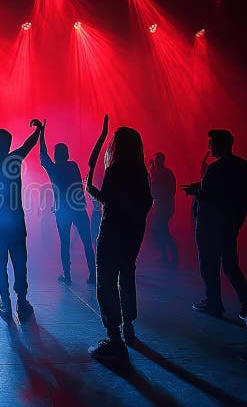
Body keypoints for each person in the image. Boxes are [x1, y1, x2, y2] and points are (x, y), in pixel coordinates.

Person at [85, 117, 152, 360]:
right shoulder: (141, 172)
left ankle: (113, 337)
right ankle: (128, 328)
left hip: (113, 233)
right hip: (133, 234)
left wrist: (91, 191)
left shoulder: (115, 170)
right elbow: (145, 203)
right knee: (126, 277)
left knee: (106, 282)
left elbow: (109, 201)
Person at [183, 129, 247, 328]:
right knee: (231, 267)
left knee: (209, 265)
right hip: (227, 225)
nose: (208, 147)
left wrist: (194, 191)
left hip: (209, 225)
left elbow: (207, 196)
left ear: (217, 145)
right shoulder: (241, 165)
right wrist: (238, 216)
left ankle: (214, 303)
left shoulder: (215, 169)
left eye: (210, 143)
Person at [0, 119, 43, 320]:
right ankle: (22, 302)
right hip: (16, 220)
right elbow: (28, 145)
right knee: (19, 261)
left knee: (0, 262)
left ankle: (5, 302)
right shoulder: (14, 159)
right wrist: (39, 131)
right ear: (8, 144)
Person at [39, 122, 96, 285]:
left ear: (56, 156)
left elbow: (43, 154)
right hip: (78, 208)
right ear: (67, 154)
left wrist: (41, 133)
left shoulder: (54, 169)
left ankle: (67, 276)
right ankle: (93, 274)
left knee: (65, 243)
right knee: (86, 241)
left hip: (63, 211)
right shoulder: (73, 166)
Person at [148, 152, 178, 266]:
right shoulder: (162, 173)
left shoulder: (164, 174)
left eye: (157, 160)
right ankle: (167, 256)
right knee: (160, 230)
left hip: (163, 207)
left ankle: (170, 257)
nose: (155, 163)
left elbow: (163, 189)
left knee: (161, 230)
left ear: (161, 161)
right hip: (163, 206)